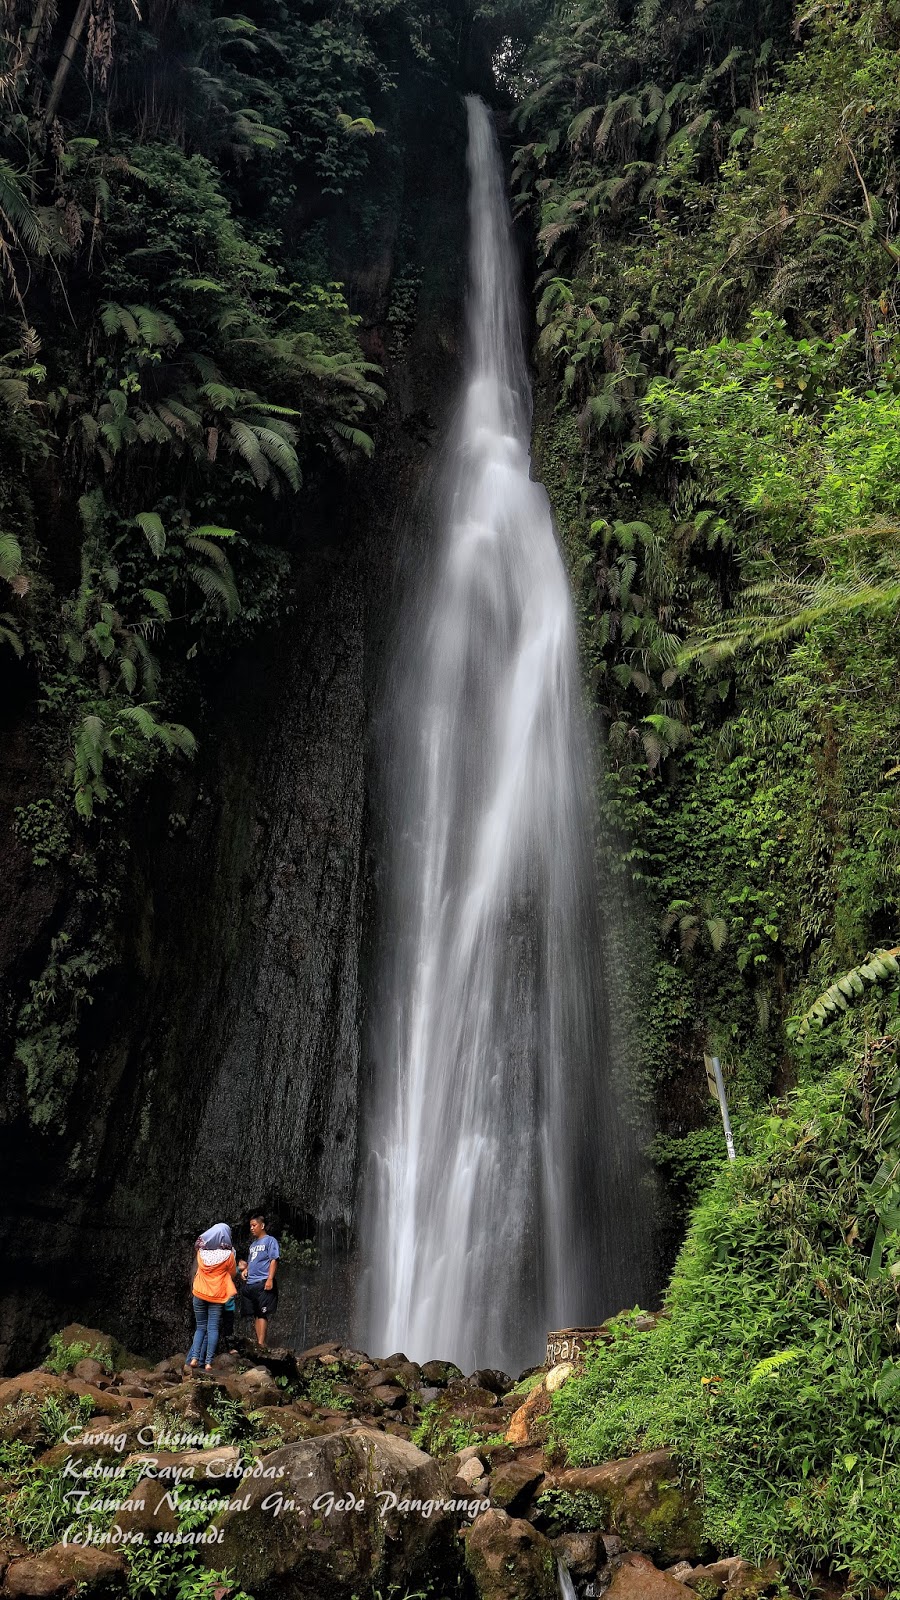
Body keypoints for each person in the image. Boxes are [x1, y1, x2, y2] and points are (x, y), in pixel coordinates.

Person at [185, 1222, 237, 1373]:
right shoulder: (229, 1255)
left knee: (200, 1327)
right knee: (212, 1328)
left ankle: (194, 1359)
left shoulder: (201, 1252)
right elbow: (232, 1273)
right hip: (217, 1295)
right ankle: (208, 1363)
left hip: (199, 1292)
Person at [238, 1211, 279, 1347]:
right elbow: (252, 1262)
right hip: (251, 1283)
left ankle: (261, 1343)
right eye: (250, 1226)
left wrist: (270, 1279)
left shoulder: (270, 1241)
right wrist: (246, 1270)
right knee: (256, 1313)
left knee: (262, 1313)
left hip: (263, 1281)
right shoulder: (253, 1245)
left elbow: (273, 1260)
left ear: (262, 1226)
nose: (251, 1228)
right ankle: (259, 1343)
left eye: (254, 1225)